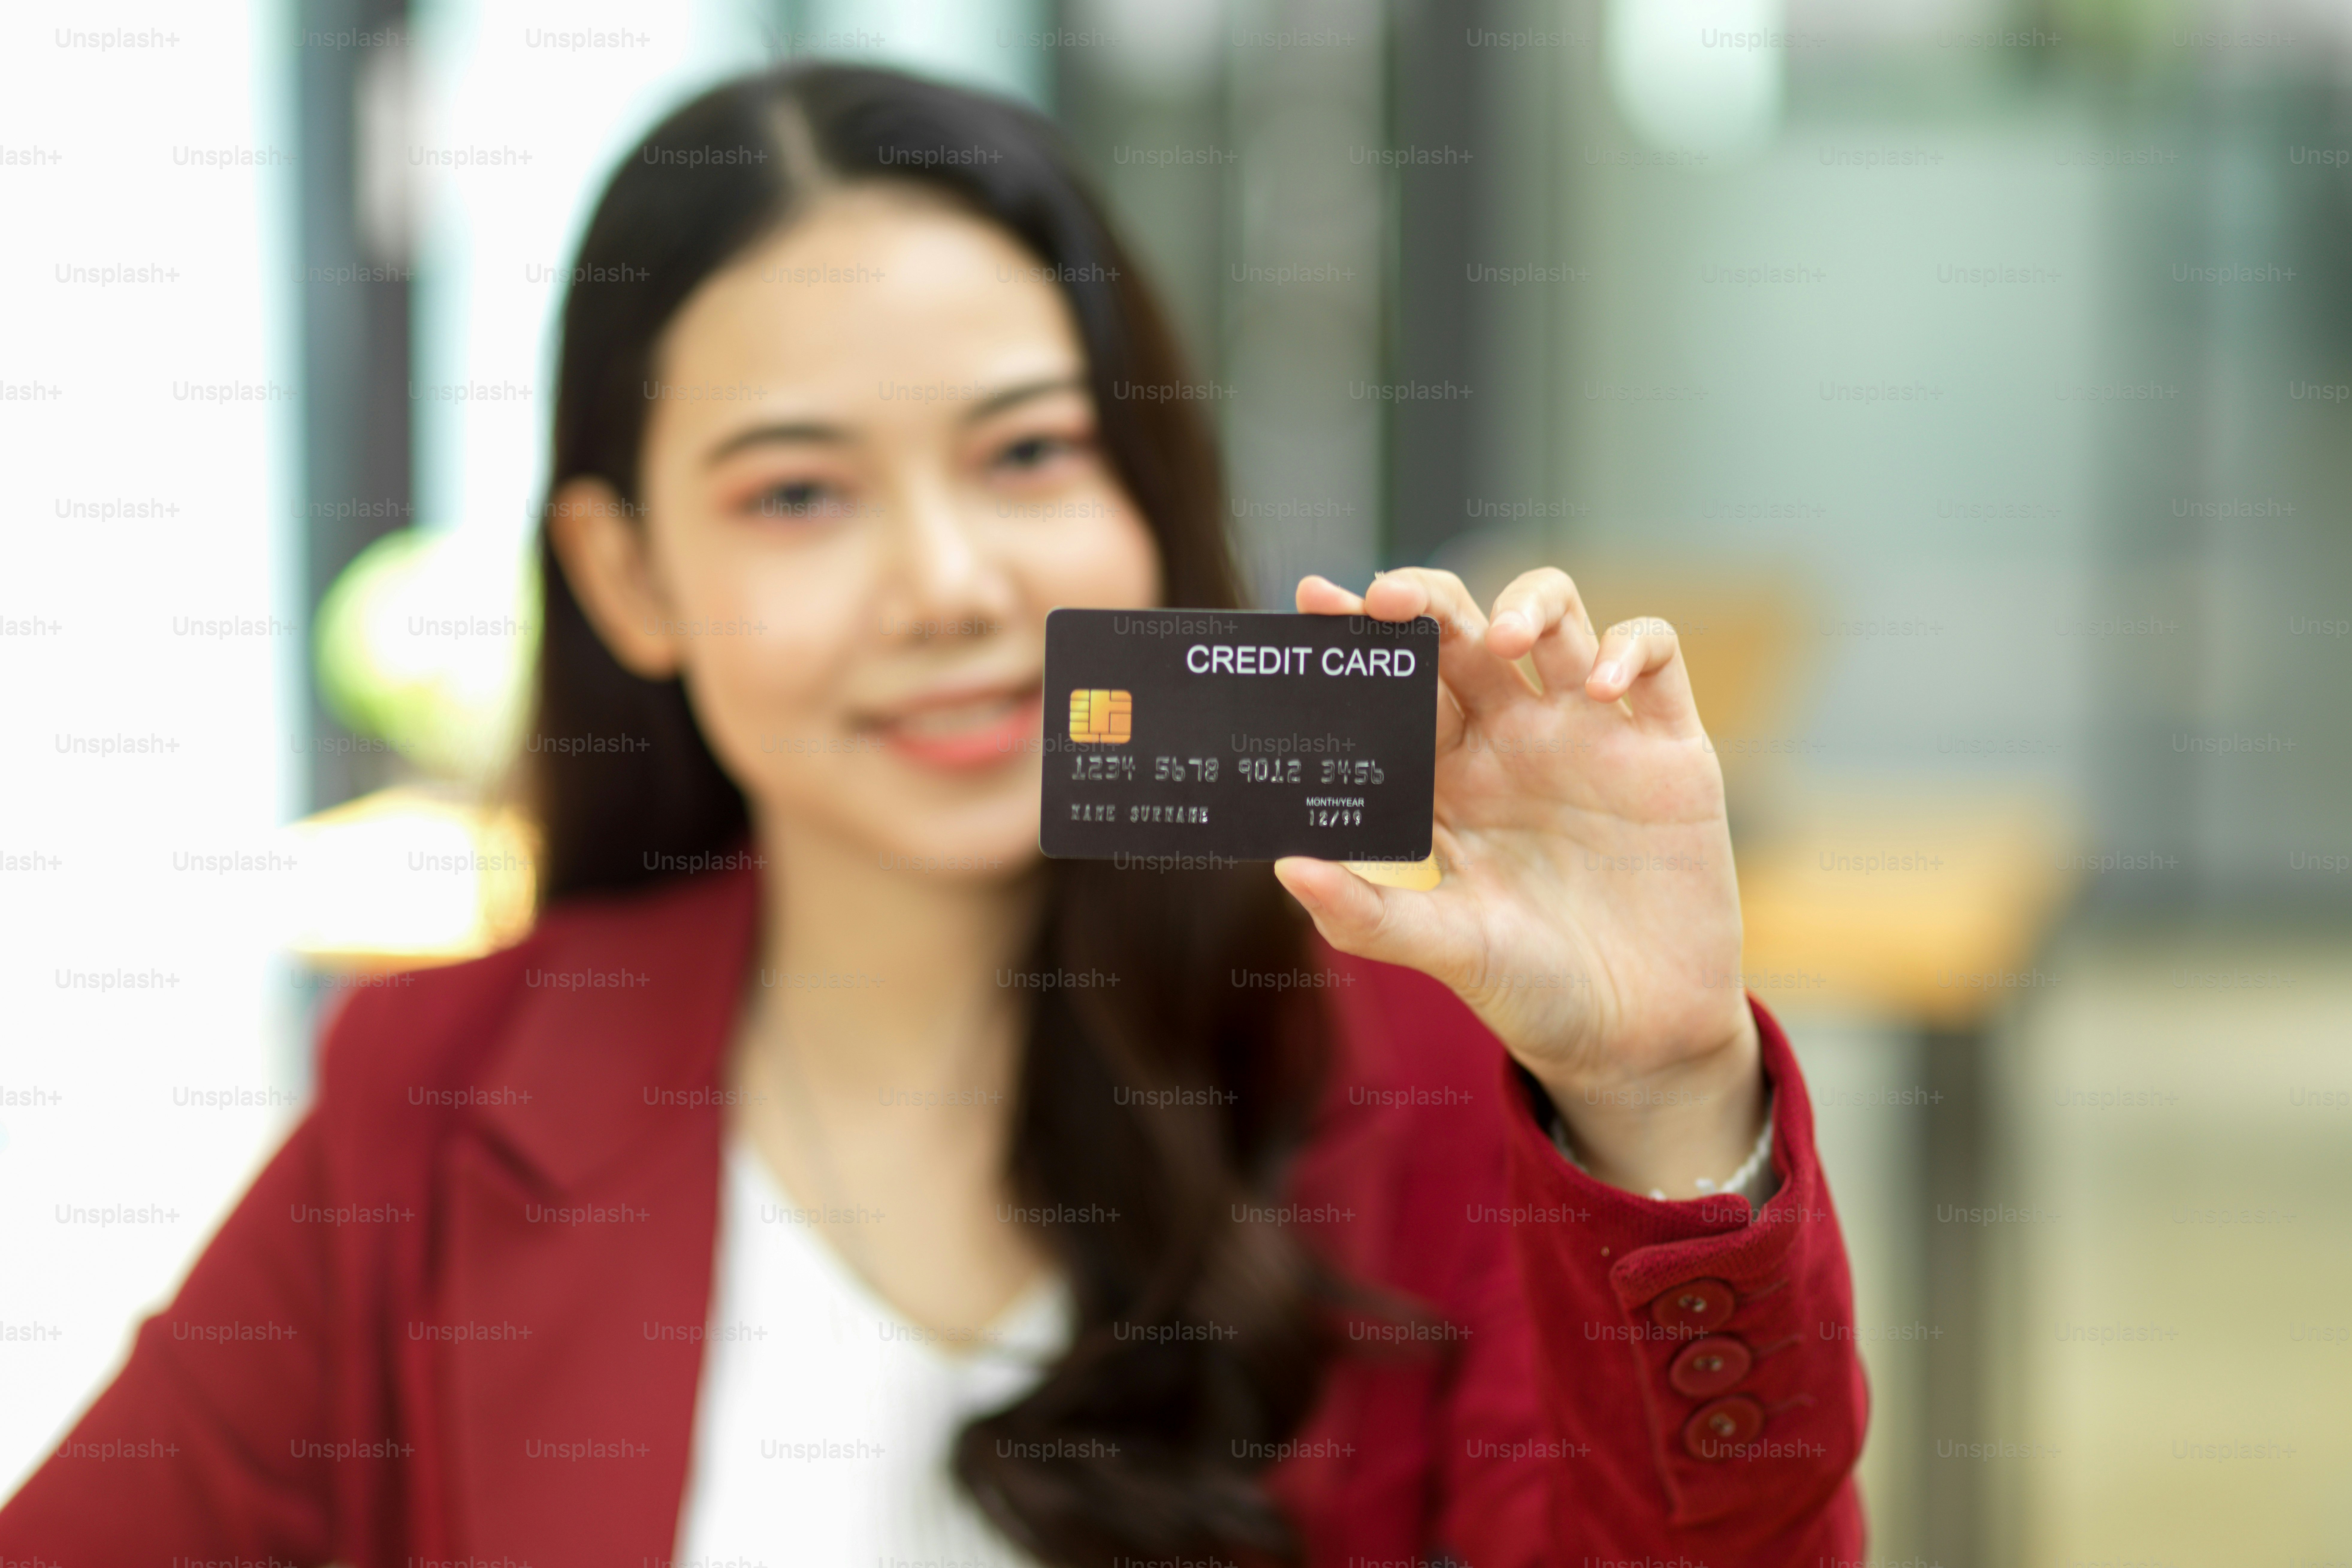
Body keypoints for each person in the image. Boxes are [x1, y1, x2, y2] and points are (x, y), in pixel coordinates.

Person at [0, 63, 1866, 1566]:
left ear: (1143, 493)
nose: (952, 584)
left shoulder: (1428, 1078)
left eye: (1029, 453)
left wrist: (1658, 1094)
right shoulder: (437, 1091)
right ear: (627, 573)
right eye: (799, 493)